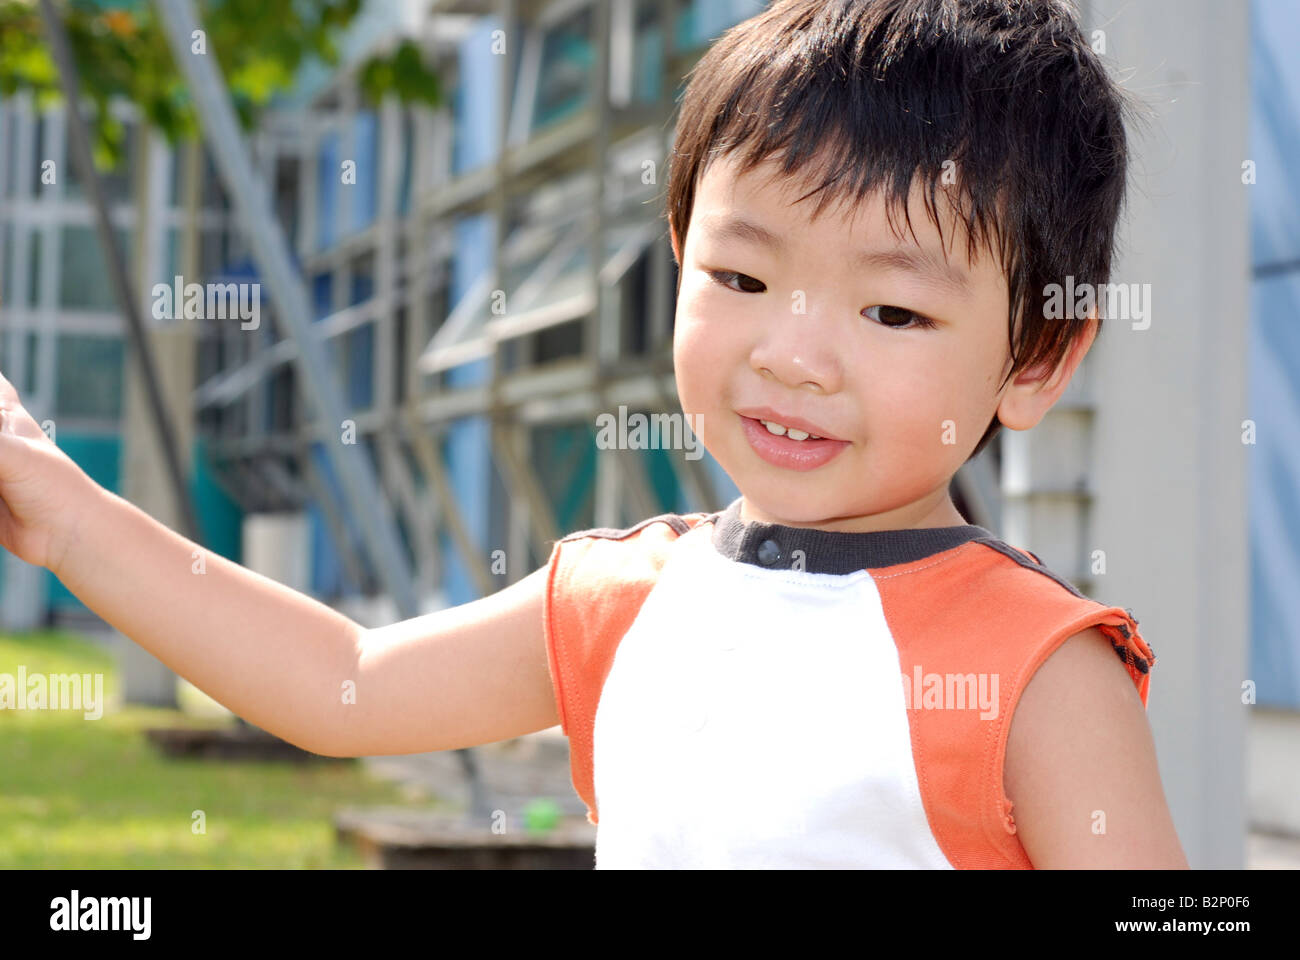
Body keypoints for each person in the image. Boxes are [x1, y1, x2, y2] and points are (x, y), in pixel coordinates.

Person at [0, 0, 1186, 868]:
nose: (790, 353)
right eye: (741, 274)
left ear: (1032, 360)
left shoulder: (1037, 665)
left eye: (891, 308)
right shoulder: (620, 599)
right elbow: (341, 684)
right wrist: (62, 512)